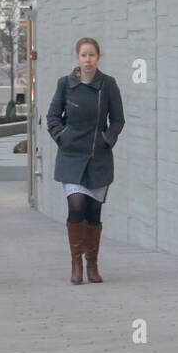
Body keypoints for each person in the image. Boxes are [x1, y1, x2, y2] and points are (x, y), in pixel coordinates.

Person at [46, 37, 124, 284]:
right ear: (77, 58)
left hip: (98, 157)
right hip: (71, 156)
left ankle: (92, 263)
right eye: (83, 55)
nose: (88, 59)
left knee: (93, 212)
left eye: (92, 55)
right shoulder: (65, 84)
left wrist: (106, 139)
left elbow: (118, 119)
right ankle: (75, 262)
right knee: (76, 206)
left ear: (98, 57)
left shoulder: (108, 85)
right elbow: (52, 117)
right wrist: (62, 137)